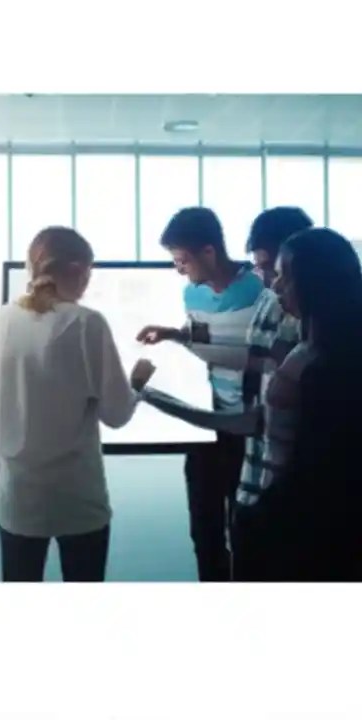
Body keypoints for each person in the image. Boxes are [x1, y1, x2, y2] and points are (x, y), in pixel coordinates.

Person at [136, 207, 312, 580]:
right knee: (206, 526)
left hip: (256, 429)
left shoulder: (265, 294)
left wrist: (157, 398)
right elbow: (209, 343)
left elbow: (258, 360)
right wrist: (175, 335)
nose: (275, 283)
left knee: (250, 527)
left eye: (183, 259)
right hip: (214, 423)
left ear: (208, 252)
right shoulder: (195, 296)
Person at [0, 226, 155, 582]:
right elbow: (116, 415)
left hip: (19, 495)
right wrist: (136, 383)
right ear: (77, 269)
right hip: (77, 494)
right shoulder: (86, 324)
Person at [256, 228, 362, 580]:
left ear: (317, 284)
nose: (274, 286)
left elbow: (318, 465)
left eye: (285, 276)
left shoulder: (335, 366)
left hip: (312, 527)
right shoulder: (306, 348)